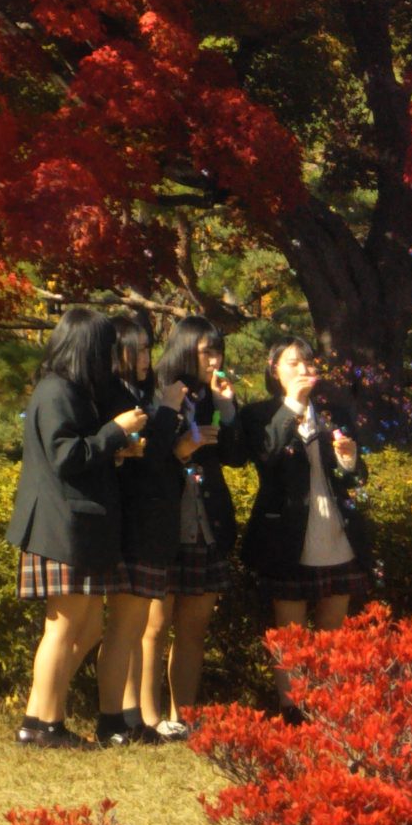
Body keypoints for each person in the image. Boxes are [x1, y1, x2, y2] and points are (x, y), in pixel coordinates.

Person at [8, 307, 150, 747]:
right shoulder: (55, 392)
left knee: (85, 628)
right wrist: (113, 434)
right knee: (63, 627)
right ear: (87, 349)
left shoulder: (77, 390)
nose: (110, 359)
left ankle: (42, 717)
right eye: (105, 349)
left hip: (77, 525)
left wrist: (115, 438)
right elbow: (66, 456)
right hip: (61, 524)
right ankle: (42, 725)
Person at [139, 314, 249, 737]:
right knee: (153, 624)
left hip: (205, 519)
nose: (216, 358)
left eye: (219, 349)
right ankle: (148, 718)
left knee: (193, 625)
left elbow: (238, 456)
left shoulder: (211, 395)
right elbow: (146, 460)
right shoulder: (158, 391)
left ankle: (182, 716)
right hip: (164, 520)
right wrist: (180, 450)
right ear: (186, 348)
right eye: (208, 350)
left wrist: (225, 407)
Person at [241, 337, 371, 634]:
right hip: (286, 538)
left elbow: (357, 478)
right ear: (274, 370)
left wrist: (348, 461)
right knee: (290, 640)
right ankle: (293, 685)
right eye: (293, 362)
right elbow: (267, 454)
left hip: (336, 536)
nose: (303, 368)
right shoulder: (258, 415)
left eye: (308, 362)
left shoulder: (334, 413)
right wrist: (293, 405)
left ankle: (324, 685)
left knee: (333, 636)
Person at [99, 308, 184, 746]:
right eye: (138, 349)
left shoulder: (139, 391)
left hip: (151, 519)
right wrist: (168, 411)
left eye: (149, 349)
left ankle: (130, 717)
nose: (147, 357)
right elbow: (146, 458)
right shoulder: (115, 394)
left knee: (132, 625)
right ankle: (119, 717)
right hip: (130, 519)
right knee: (125, 625)